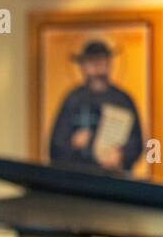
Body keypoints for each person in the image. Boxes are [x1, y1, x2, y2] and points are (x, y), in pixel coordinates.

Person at [48, 38, 143, 173]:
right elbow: (55, 146)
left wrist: (121, 156)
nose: (97, 67)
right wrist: (73, 142)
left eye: (102, 61)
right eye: (92, 61)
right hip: (78, 177)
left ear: (110, 64)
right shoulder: (73, 99)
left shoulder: (123, 100)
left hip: (113, 178)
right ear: (83, 66)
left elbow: (137, 143)